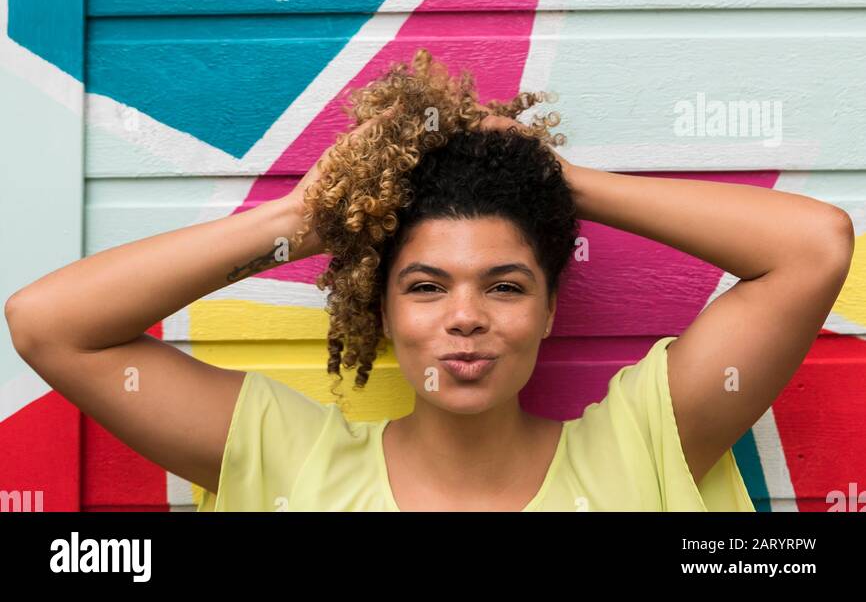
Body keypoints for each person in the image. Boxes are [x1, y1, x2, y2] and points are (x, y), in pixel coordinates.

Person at [5, 49, 854, 512]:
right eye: (424, 286)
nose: (466, 318)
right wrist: (299, 221)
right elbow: (49, 324)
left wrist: (562, 179)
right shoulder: (289, 463)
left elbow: (814, 248)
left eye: (507, 286)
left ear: (553, 308)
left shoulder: (639, 449)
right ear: (377, 307)